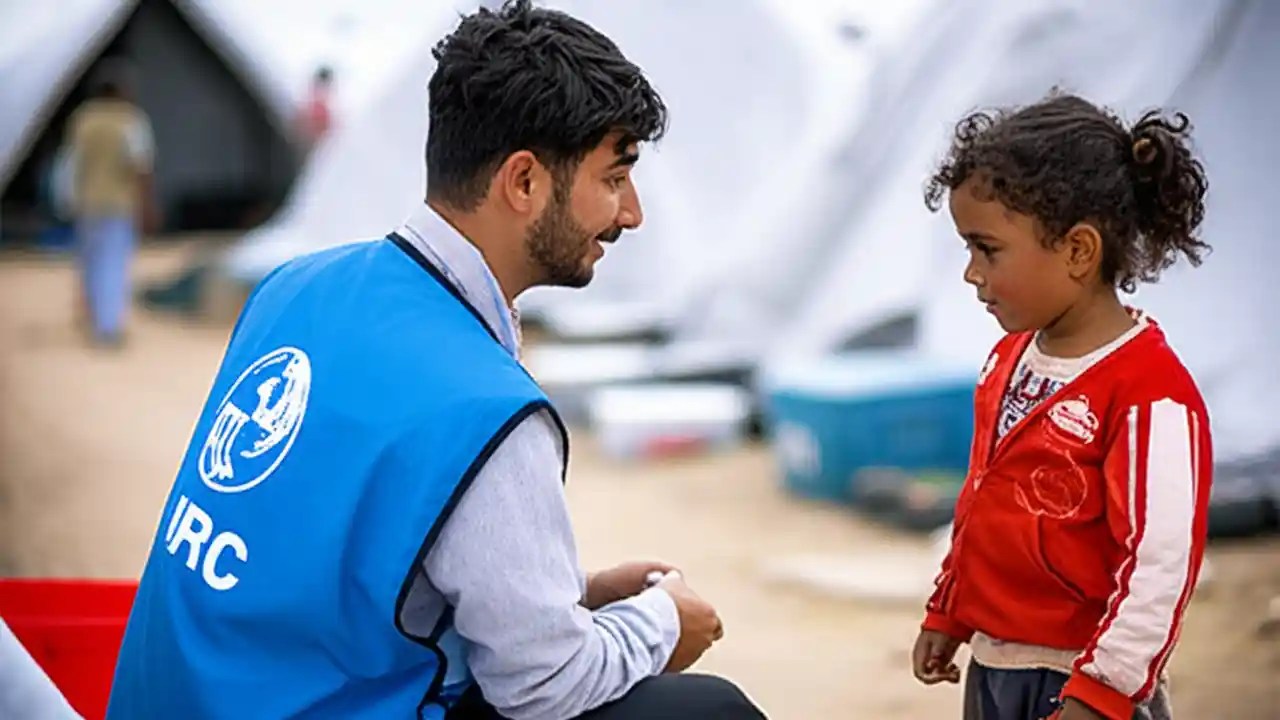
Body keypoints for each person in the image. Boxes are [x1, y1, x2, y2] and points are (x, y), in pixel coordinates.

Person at [106, 3, 764, 719]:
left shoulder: (292, 289)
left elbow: (324, 560)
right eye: (613, 178)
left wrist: (574, 594)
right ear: (523, 182)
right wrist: (663, 622)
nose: (631, 213)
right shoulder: (485, 409)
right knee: (706, 710)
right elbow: (544, 685)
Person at [911, 91, 1213, 720]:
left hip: (1082, 681)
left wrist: (1102, 692)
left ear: (1078, 251)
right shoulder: (1009, 360)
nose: (971, 273)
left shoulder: (1151, 393)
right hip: (995, 666)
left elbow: (1159, 566)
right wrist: (951, 609)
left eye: (987, 249)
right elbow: (983, 498)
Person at [64, 58, 159, 347]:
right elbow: (140, 166)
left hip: (87, 202)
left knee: (91, 262)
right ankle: (107, 328)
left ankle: (93, 318)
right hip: (118, 203)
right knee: (113, 264)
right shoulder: (130, 120)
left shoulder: (83, 119)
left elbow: (70, 164)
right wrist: (147, 205)